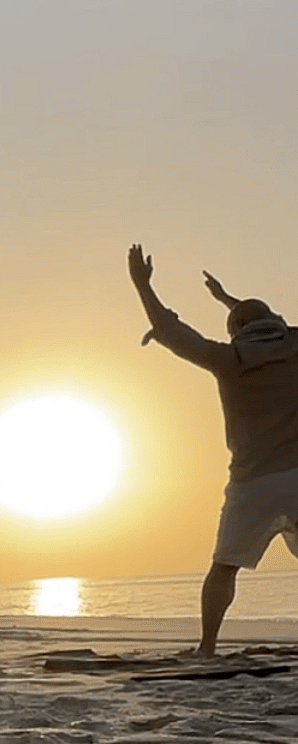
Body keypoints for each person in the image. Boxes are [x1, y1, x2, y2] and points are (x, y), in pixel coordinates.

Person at [130, 243, 298, 656]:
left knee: (225, 566)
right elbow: (262, 317)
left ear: (236, 329)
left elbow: (171, 331)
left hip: (253, 483)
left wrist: (142, 285)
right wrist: (227, 300)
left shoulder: (228, 358)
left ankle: (207, 646)